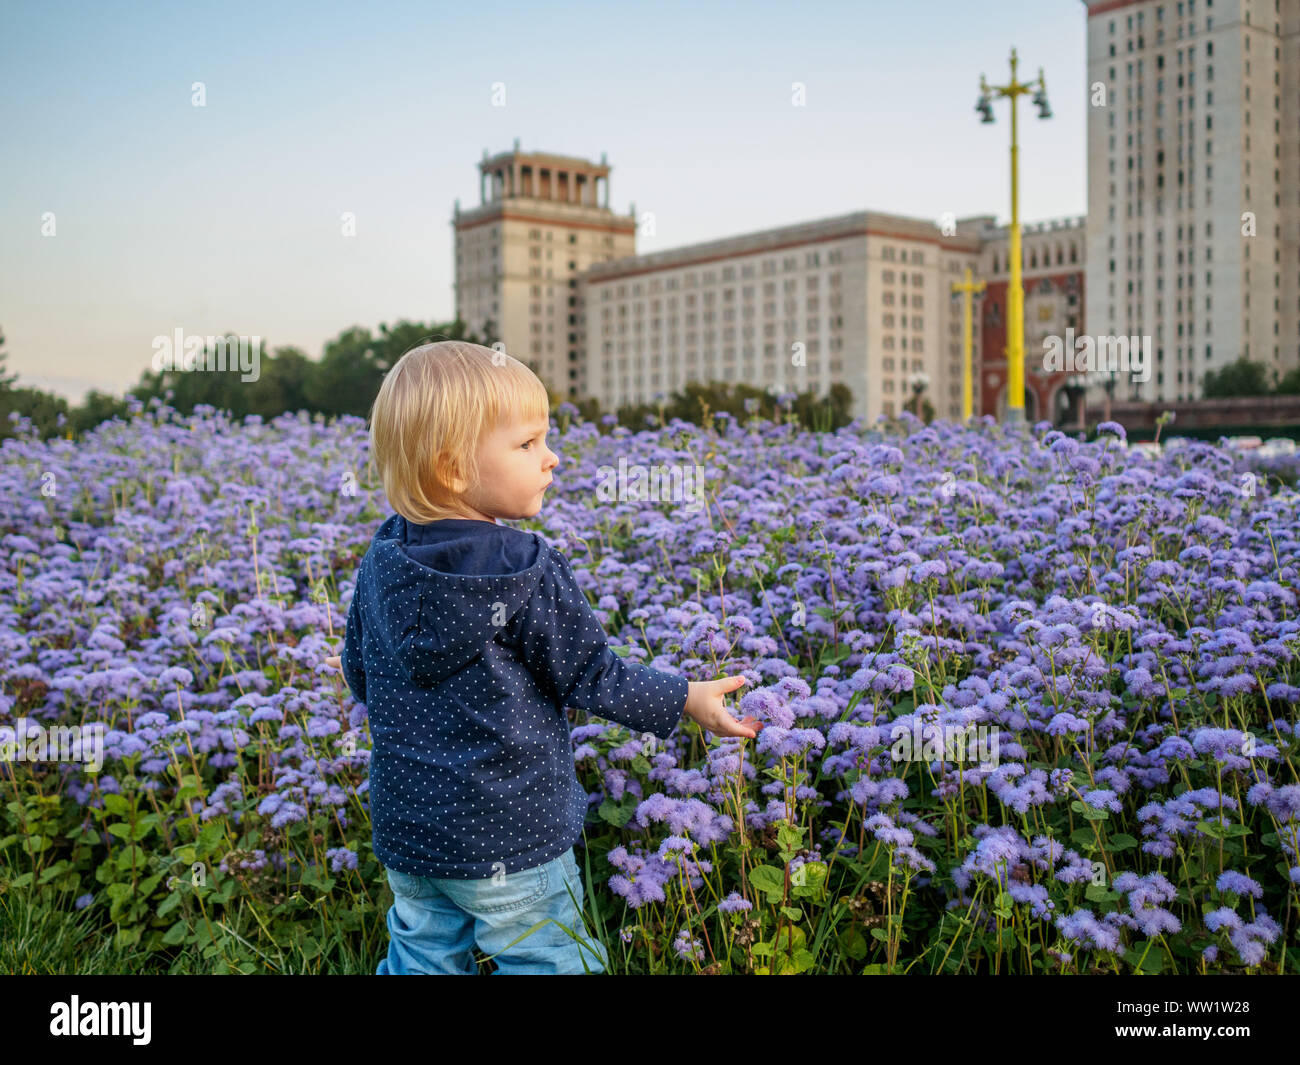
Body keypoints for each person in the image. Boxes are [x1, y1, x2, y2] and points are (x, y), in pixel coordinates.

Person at [323, 340, 760, 975]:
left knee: (420, 958)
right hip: (511, 834)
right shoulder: (525, 569)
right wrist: (684, 697)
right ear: (451, 469)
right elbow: (593, 675)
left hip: (410, 834)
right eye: (527, 444)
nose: (551, 458)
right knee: (546, 958)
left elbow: (358, 672)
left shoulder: (382, 556)